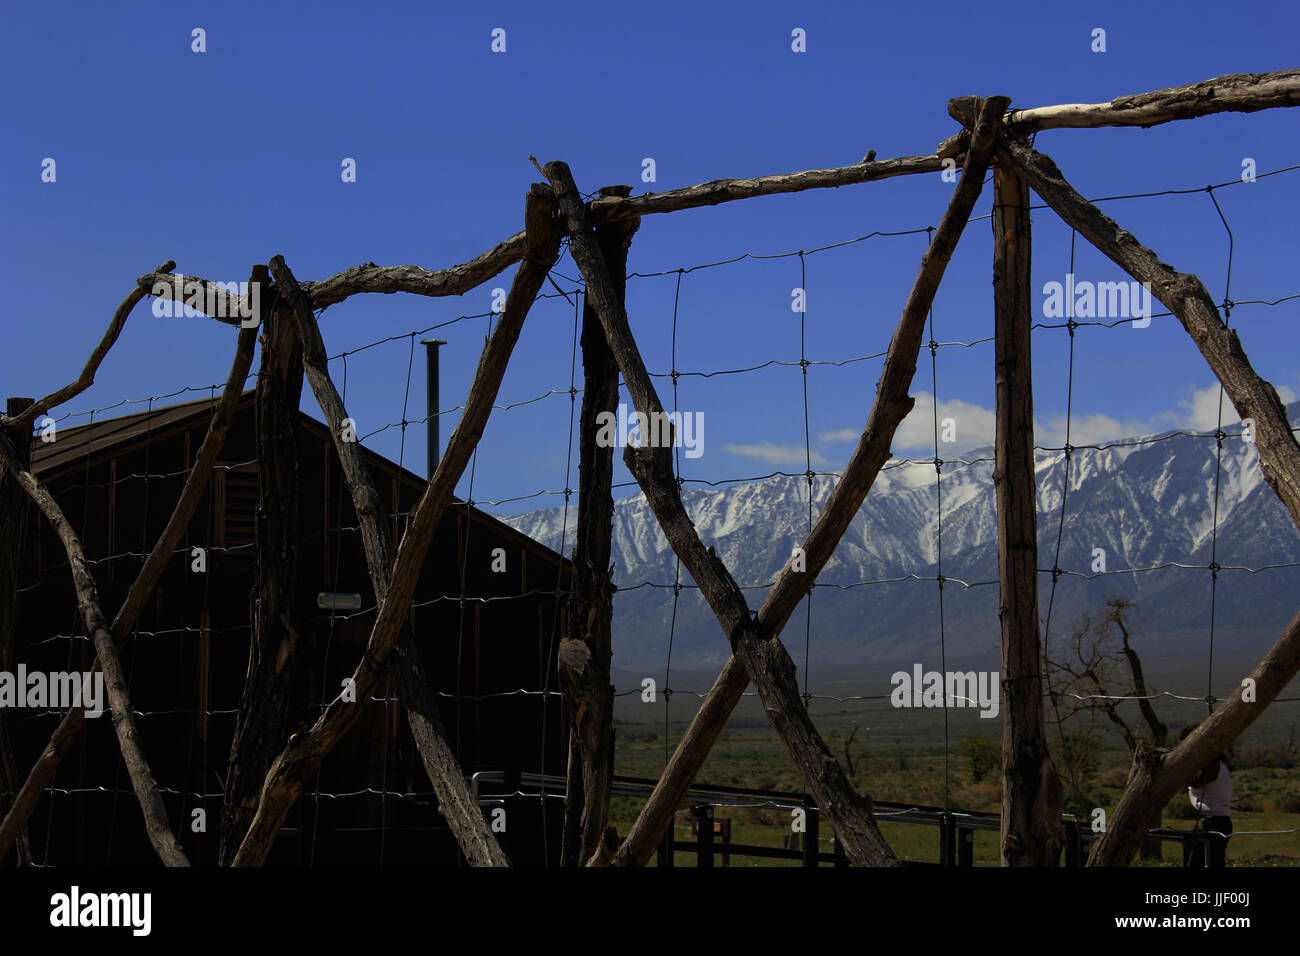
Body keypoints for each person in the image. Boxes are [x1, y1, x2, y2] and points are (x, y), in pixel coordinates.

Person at [1178, 724, 1233, 867]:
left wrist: (1179, 775)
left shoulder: (1212, 762)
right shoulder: (1216, 761)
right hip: (1218, 821)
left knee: (1197, 862)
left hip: (1213, 822)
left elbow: (1197, 782)